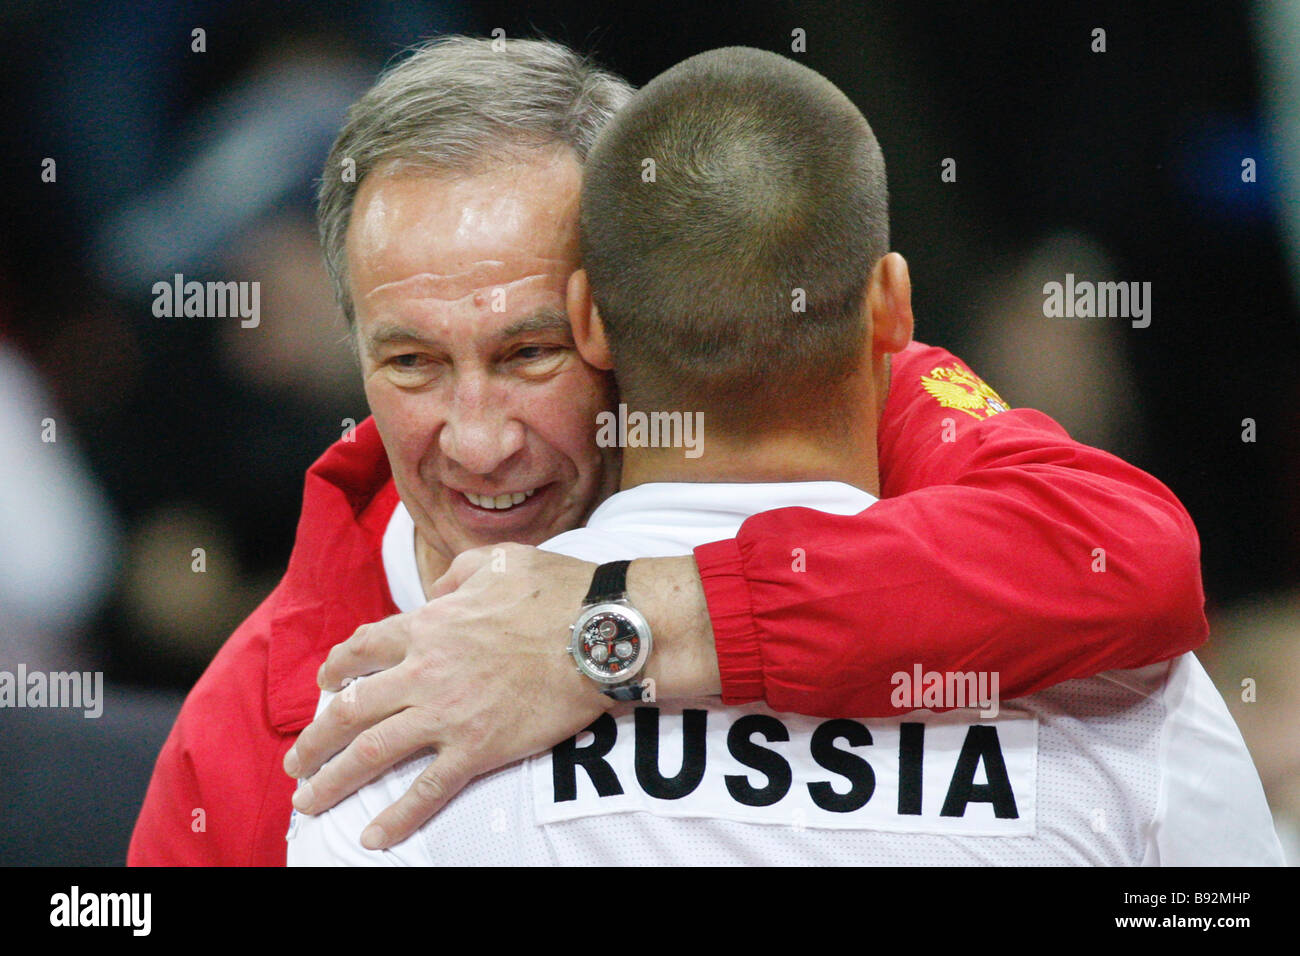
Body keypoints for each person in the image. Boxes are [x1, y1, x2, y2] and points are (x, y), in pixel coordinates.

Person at [130, 36, 1209, 866]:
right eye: (410, 363)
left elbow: (1134, 555)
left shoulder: (845, 393)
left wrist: (606, 627)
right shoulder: (258, 720)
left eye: (530, 350)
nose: (477, 436)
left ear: (627, 315)